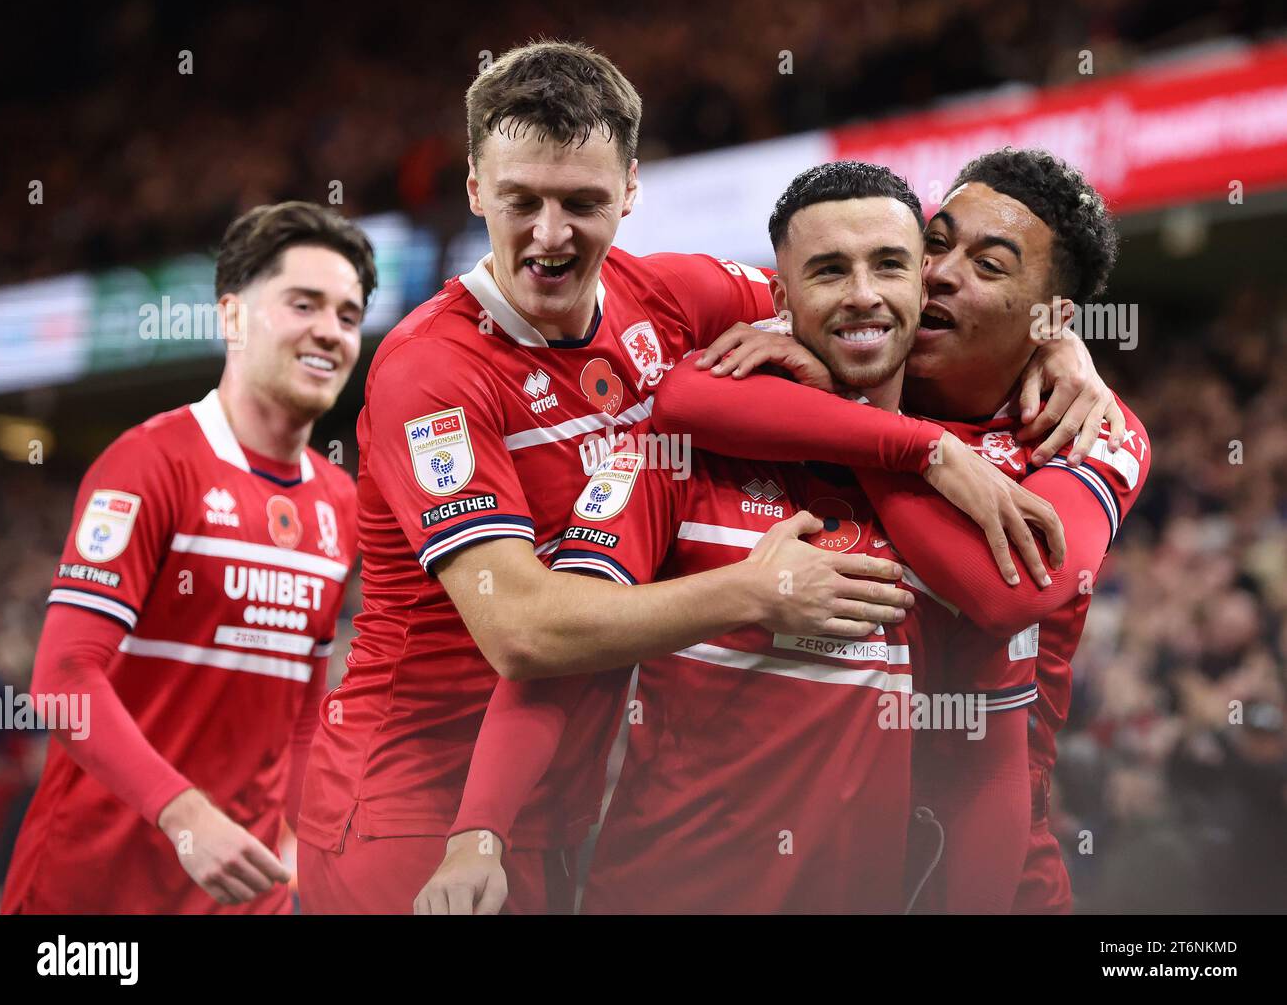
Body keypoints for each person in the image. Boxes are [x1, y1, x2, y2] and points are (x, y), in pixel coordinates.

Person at [294, 40, 919, 917]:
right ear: (476, 190)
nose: (550, 236)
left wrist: (1061, 350)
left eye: (583, 202)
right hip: (416, 815)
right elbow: (522, 630)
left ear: (629, 190)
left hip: (554, 807)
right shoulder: (430, 372)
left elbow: (864, 316)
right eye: (521, 202)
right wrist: (755, 591)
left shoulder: (670, 298)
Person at [419, 162, 1058, 914]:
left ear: (922, 284)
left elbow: (987, 760)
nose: (861, 293)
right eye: (827, 271)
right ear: (781, 300)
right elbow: (565, 657)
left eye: (887, 265)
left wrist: (1057, 349)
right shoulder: (676, 454)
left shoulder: (968, 497)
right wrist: (479, 830)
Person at [653, 147, 1152, 912]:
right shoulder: (863, 321)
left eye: (989, 266)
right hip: (811, 857)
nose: (940, 273)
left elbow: (1008, 590)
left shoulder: (1085, 429)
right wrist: (918, 447)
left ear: (1051, 317)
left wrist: (862, 426)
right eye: (938, 242)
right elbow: (686, 397)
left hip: (991, 865)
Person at [1, 202, 373, 913]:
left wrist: (318, 838)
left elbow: (301, 711)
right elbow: (63, 676)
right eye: (304, 303)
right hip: (90, 901)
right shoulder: (148, 463)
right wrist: (183, 812)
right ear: (232, 317)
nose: (331, 329)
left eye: (349, 314)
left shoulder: (340, 503)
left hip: (242, 896)